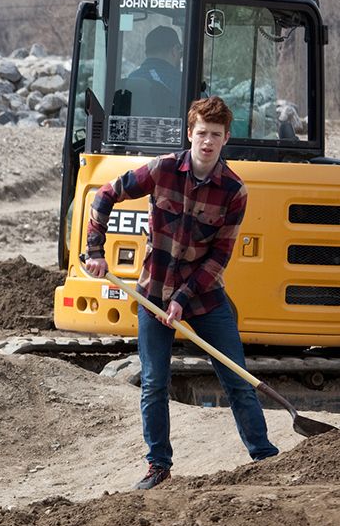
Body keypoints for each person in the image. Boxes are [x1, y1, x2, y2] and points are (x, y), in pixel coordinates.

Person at [84, 96, 278, 491]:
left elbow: (219, 257)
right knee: (155, 382)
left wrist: (183, 299)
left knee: (237, 377)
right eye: (202, 133)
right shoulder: (163, 169)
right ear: (190, 134)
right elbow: (104, 195)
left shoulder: (234, 191)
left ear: (226, 139)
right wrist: (94, 251)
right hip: (152, 292)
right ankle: (158, 466)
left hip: (205, 297)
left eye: (216, 135)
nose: (208, 141)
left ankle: (263, 458)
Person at [128, 25, 183, 94]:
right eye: (180, 53)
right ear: (174, 50)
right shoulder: (180, 82)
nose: (180, 58)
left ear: (147, 53)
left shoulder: (132, 78)